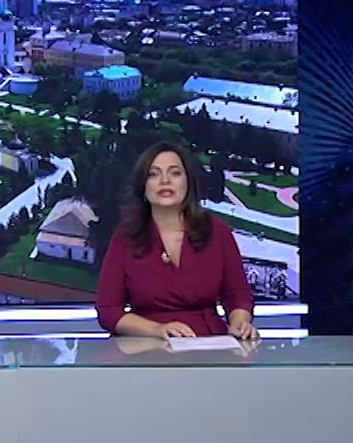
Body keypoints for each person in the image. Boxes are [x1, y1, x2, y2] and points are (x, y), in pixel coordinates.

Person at [95, 141, 258, 341]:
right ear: (143, 186)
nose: (165, 181)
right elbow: (108, 310)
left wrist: (239, 323)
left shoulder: (217, 232)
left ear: (188, 182)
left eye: (175, 173)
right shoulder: (125, 237)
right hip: (146, 345)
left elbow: (238, 296)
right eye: (153, 174)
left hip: (208, 344)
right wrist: (157, 330)